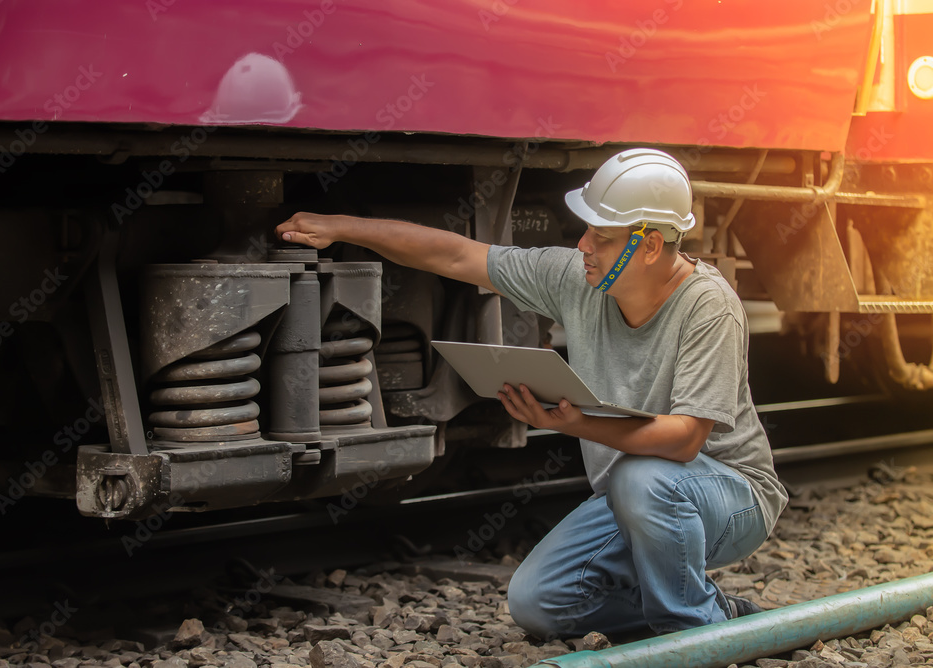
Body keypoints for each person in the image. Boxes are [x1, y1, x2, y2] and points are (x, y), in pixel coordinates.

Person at [275, 148, 787, 638]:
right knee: (539, 603)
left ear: (649, 246)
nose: (584, 244)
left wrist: (572, 422)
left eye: (602, 236)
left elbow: (684, 441)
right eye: (587, 230)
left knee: (641, 478)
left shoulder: (708, 306)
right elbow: (455, 256)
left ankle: (696, 634)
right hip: (634, 497)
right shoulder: (577, 280)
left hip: (730, 497)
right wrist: (343, 227)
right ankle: (713, 610)